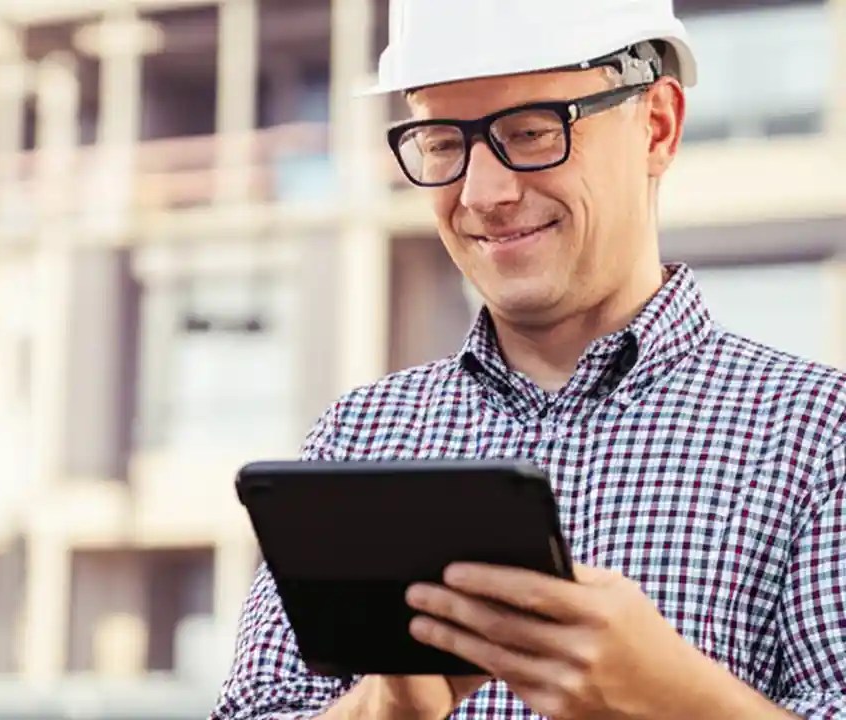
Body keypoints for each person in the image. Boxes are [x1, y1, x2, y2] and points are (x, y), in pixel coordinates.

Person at [210, 0, 846, 718]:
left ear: (658, 127)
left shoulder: (821, 438)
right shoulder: (360, 437)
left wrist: (677, 700)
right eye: (443, 143)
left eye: (532, 132)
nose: (484, 195)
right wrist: (385, 709)